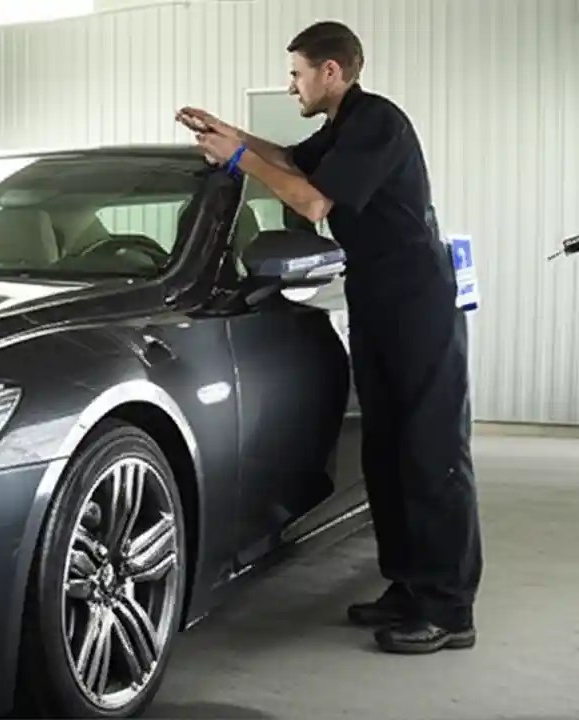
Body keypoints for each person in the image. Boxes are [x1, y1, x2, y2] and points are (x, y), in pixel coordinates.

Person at [176, 20, 483, 655]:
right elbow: (290, 161)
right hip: (376, 300)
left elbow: (314, 204)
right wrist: (230, 135)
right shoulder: (341, 129)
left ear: (331, 72)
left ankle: (449, 609)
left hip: (418, 305)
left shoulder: (378, 121)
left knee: (431, 453)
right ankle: (408, 586)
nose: (293, 86)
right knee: (387, 450)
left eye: (296, 74)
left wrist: (236, 159)